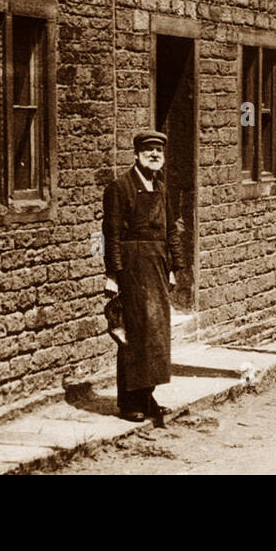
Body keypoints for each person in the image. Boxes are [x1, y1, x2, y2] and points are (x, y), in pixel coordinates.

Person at [102, 130, 186, 422]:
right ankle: (128, 403)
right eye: (148, 150)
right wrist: (112, 275)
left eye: (158, 151)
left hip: (158, 266)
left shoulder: (162, 188)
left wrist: (175, 266)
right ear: (136, 155)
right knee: (134, 333)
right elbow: (111, 234)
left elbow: (171, 230)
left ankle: (147, 397)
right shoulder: (120, 187)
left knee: (155, 334)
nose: (154, 155)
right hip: (132, 266)